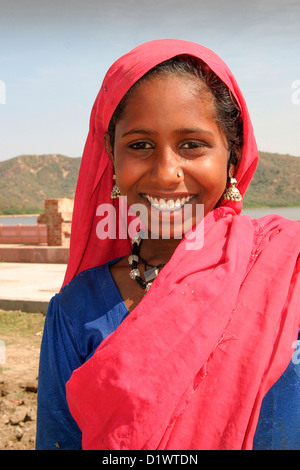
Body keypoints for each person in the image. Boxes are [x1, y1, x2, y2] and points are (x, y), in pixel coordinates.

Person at [36, 39, 300, 450]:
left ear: (232, 155)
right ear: (112, 154)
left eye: (192, 145)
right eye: (140, 145)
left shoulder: (285, 275)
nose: (165, 174)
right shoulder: (75, 313)